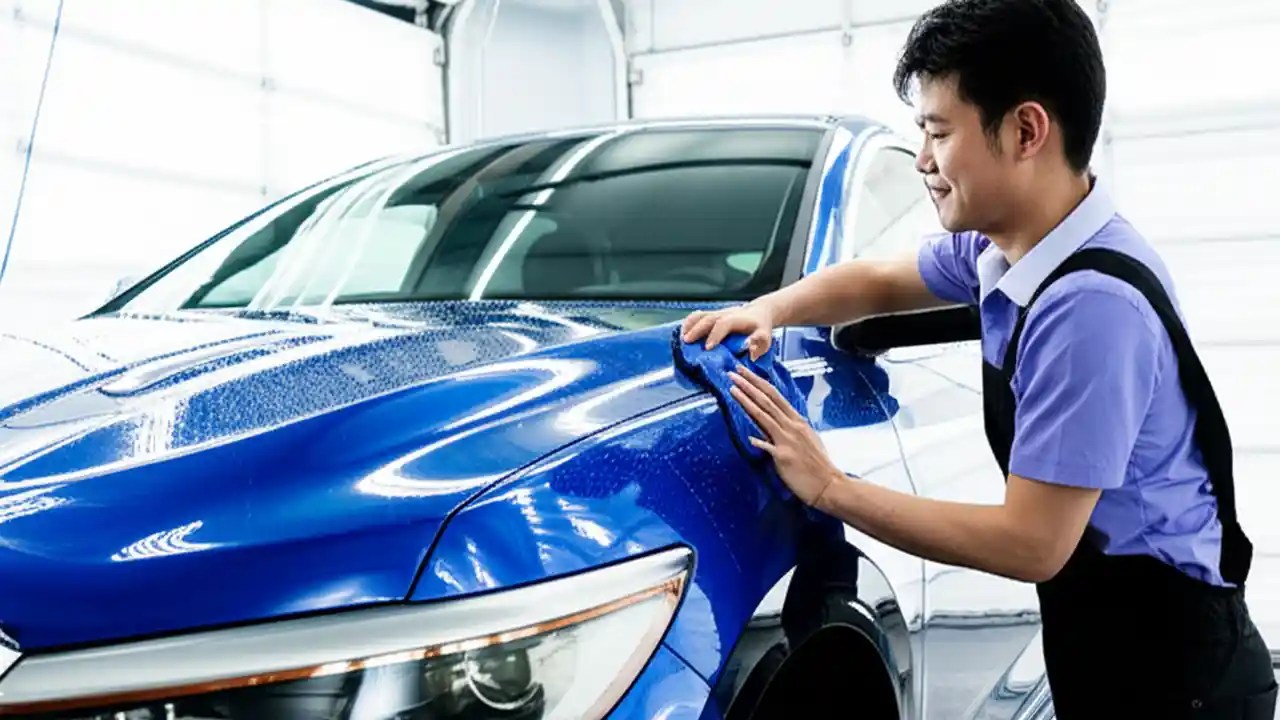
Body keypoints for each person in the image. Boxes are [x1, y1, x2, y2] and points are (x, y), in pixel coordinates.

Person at [680, 0, 1277, 717]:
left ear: (1026, 130)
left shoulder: (1089, 307)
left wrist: (830, 487)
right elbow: (880, 280)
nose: (922, 160)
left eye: (938, 132)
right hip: (1115, 638)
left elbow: (1032, 544)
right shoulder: (1013, 245)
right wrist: (770, 309)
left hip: (1177, 674)